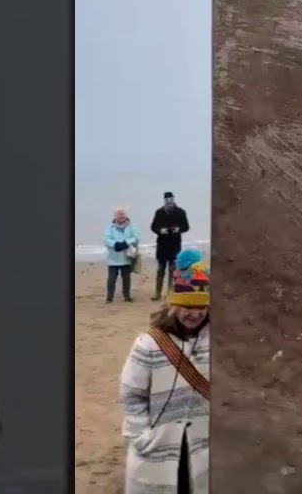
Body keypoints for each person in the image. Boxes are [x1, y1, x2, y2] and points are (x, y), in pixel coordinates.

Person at [120, 249, 211, 493]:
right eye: (187, 306)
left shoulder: (217, 340)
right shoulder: (148, 343)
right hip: (159, 444)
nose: (195, 313)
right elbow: (132, 394)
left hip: (202, 444)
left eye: (202, 307)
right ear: (174, 305)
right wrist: (140, 436)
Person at [149, 191, 191, 300]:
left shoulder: (181, 212)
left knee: (173, 270)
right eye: (167, 200)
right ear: (164, 201)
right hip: (162, 245)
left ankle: (170, 293)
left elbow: (186, 227)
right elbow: (153, 227)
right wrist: (160, 230)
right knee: (160, 270)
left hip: (175, 245)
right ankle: (157, 294)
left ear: (174, 199)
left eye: (171, 200)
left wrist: (178, 229)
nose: (169, 202)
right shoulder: (159, 212)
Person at [105, 206, 141, 303]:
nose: (121, 215)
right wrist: (115, 244)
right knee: (111, 278)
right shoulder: (110, 227)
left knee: (126, 278)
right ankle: (109, 297)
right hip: (113, 256)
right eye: (119, 214)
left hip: (126, 256)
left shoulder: (132, 226)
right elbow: (106, 239)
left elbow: (136, 238)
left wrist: (126, 242)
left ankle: (127, 296)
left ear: (126, 215)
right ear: (115, 216)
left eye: (123, 214)